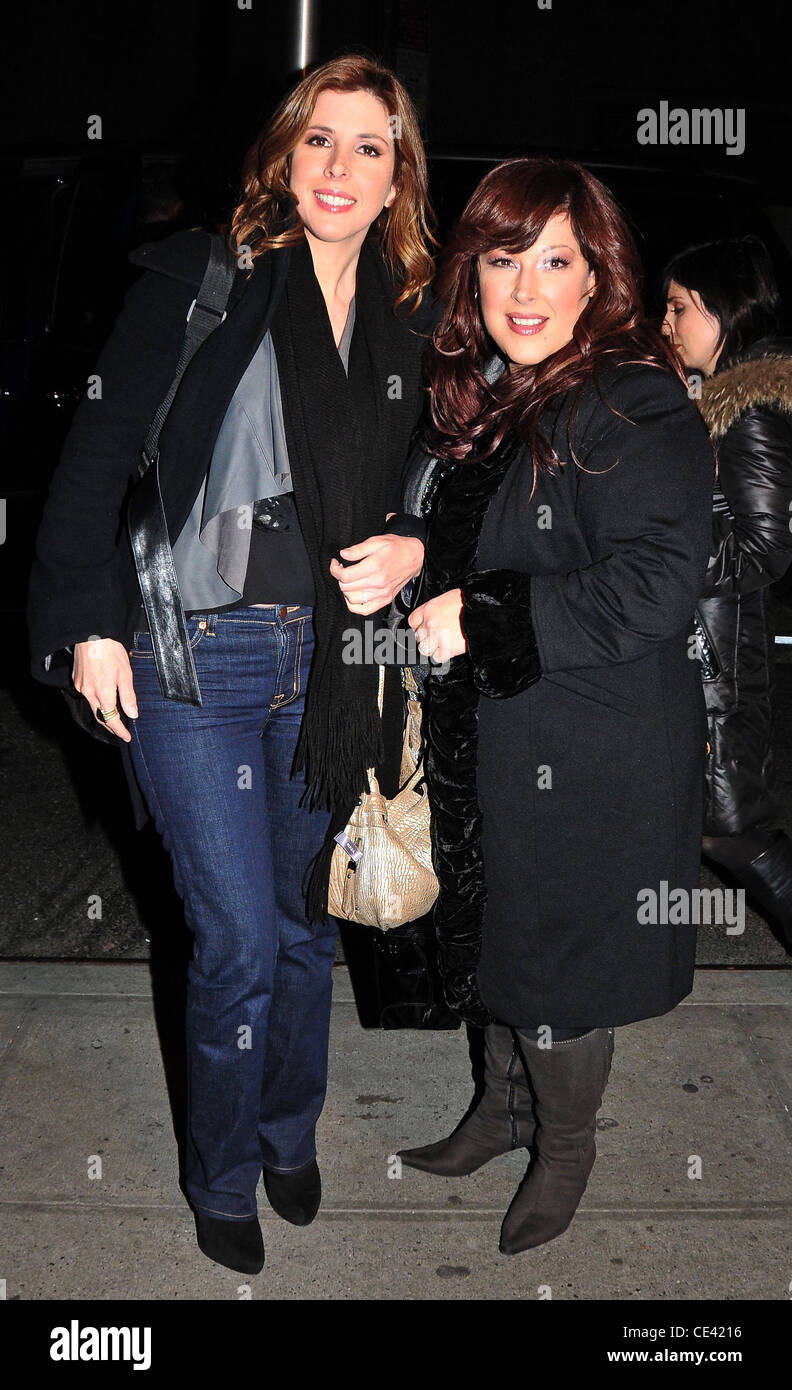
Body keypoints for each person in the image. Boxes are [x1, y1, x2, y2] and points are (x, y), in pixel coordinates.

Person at [27, 55, 436, 1275]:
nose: (340, 167)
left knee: (310, 929)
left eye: (369, 146)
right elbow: (94, 460)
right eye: (320, 139)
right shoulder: (207, 280)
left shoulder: (410, 315)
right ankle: (222, 1172)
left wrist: (417, 541)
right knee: (240, 943)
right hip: (195, 656)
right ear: (283, 154)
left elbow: (445, 473)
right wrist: (87, 621)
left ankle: (286, 1128)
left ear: (397, 177)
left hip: (333, 658)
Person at [395, 157, 715, 1254]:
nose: (525, 287)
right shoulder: (494, 395)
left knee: (556, 967)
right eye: (501, 258)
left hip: (590, 752)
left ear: (598, 279)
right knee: (495, 938)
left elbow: (656, 585)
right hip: (496, 738)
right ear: (471, 273)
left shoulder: (635, 398)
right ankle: (499, 1110)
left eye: (556, 261)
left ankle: (565, 1144)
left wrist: (483, 618)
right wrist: (415, 550)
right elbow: (485, 540)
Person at [662, 237, 792, 950]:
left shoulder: (748, 404)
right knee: (700, 820)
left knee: (729, 829)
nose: (668, 322)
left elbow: (763, 547)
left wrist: (655, 549)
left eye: (680, 307)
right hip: (702, 644)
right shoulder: (717, 396)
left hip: (718, 657)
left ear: (723, 307)